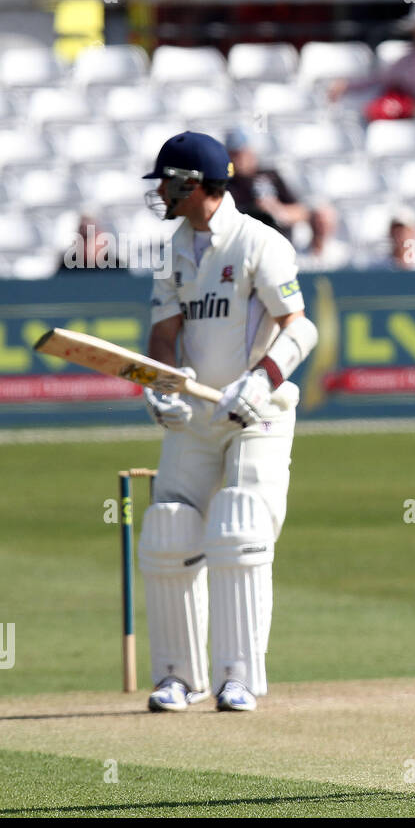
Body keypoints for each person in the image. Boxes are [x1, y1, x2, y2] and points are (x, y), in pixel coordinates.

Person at [137, 131, 319, 714]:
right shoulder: (172, 251)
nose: (161, 192)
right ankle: (174, 676)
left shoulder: (259, 242)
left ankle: (237, 677)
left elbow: (300, 328)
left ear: (195, 184)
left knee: (239, 525)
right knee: (168, 528)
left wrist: (260, 380)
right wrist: (160, 386)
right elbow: (163, 337)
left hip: (257, 413)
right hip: (197, 415)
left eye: (169, 181)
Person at [226, 128, 309, 238]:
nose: (239, 159)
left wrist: (278, 210)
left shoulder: (270, 175)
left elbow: (301, 212)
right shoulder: (226, 183)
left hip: (278, 241)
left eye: (243, 153)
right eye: (235, 154)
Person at [358, 206, 415, 271]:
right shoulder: (378, 267)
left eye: (407, 230)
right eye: (396, 230)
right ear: (390, 233)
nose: (401, 235)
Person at [297, 205, 350, 272]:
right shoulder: (298, 255)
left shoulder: (344, 254)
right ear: (311, 223)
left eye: (325, 224)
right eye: (318, 223)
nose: (321, 228)